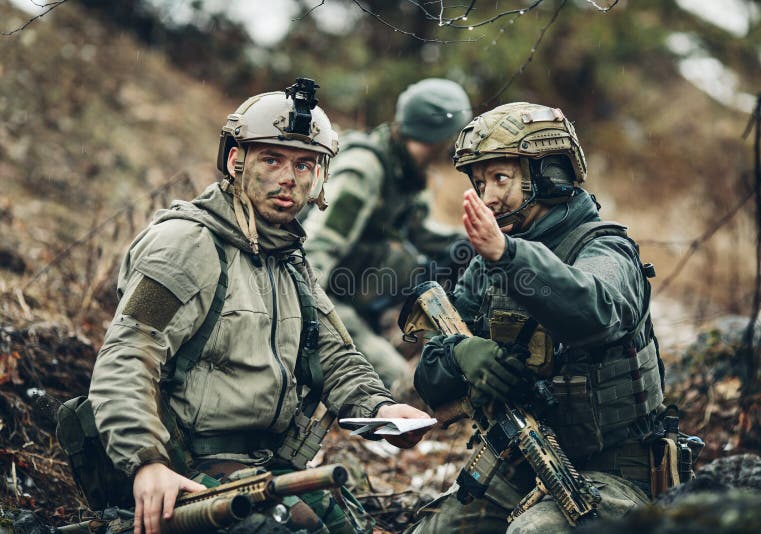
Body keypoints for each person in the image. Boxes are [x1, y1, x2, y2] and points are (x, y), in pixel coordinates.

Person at [88, 79, 430, 534]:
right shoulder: (185, 244)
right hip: (187, 467)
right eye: (272, 159)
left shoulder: (289, 258)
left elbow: (334, 355)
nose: (290, 179)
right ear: (236, 161)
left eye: (306, 164)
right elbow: (128, 356)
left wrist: (381, 410)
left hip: (265, 465)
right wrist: (146, 462)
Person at [411, 102, 665, 533]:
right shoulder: (488, 263)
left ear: (550, 174)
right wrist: (462, 355)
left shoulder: (606, 249)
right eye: (479, 181)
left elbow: (595, 311)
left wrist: (508, 257)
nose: (488, 196)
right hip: (520, 464)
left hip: (614, 475)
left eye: (500, 178)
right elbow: (430, 382)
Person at [302, 78, 473, 390]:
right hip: (324, 299)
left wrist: (473, 243)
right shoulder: (364, 170)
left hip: (358, 295)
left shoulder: (407, 172)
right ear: (440, 136)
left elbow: (420, 234)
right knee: (401, 385)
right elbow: (310, 263)